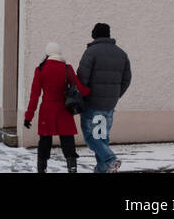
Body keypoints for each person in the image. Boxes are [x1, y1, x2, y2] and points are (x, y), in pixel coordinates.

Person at [23, 42, 88, 173]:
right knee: (68, 140)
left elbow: (34, 96)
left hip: (47, 110)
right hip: (64, 109)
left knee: (45, 141)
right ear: (59, 53)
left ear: (47, 53)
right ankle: (72, 168)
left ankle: (42, 169)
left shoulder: (40, 69)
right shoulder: (67, 68)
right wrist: (93, 90)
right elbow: (81, 89)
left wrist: (28, 116)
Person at [77, 22, 131, 173]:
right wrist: (115, 95)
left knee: (91, 137)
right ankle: (102, 170)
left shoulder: (91, 52)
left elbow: (82, 79)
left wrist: (80, 97)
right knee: (102, 138)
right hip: (109, 105)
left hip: (92, 104)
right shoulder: (121, 54)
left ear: (94, 35)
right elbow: (127, 80)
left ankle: (110, 160)